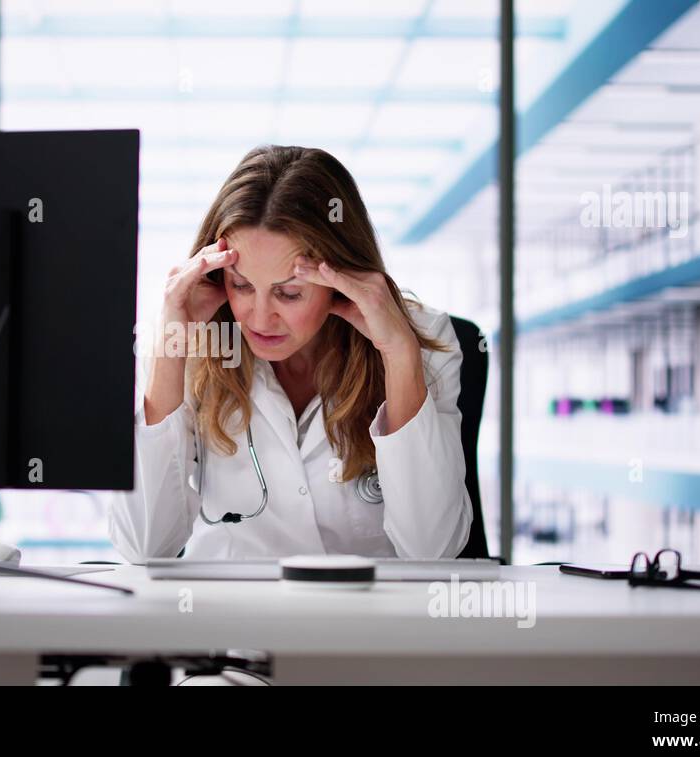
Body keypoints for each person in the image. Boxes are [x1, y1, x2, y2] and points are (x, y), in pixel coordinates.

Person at [107, 145, 472, 562]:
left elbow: (434, 550)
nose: (259, 317)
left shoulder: (420, 337)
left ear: (342, 276)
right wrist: (172, 351)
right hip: (226, 616)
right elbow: (143, 547)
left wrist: (399, 355)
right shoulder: (189, 337)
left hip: (363, 619)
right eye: (240, 285)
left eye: (289, 292)